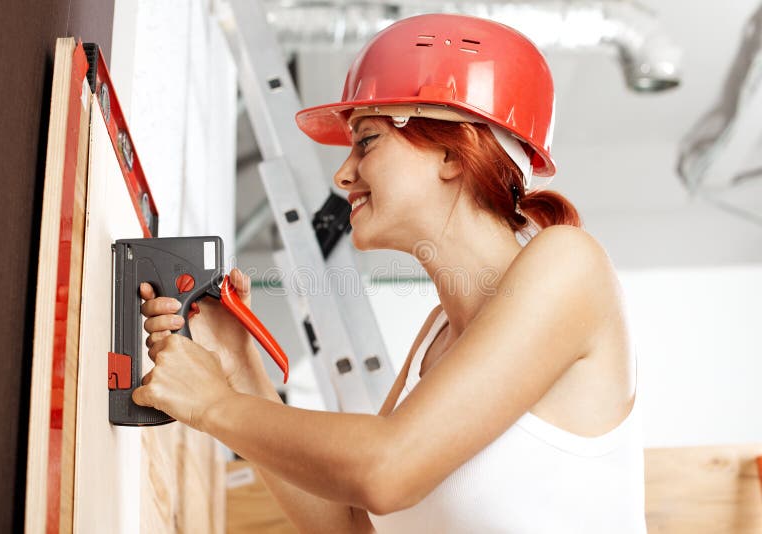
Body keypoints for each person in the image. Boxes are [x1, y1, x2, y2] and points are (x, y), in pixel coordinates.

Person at [134, 13, 647, 533]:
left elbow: (386, 471)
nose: (343, 173)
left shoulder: (571, 266)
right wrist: (241, 371)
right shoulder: (435, 337)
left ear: (452, 150)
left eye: (368, 140)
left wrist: (213, 405)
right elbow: (355, 524)